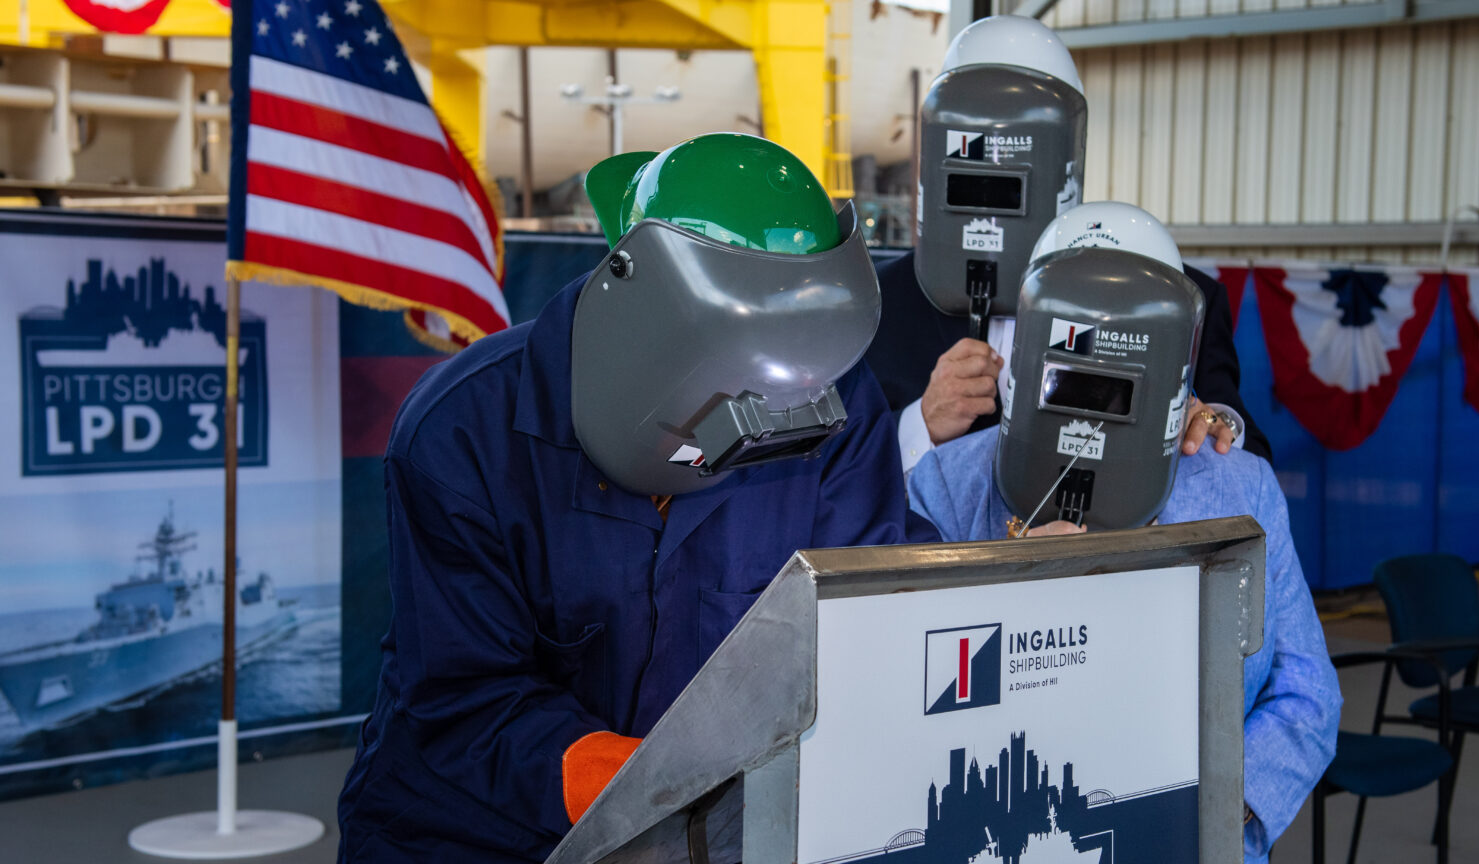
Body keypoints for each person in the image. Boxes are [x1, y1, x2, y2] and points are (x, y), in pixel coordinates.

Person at [336, 133, 935, 863]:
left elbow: (859, 603)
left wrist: (1001, 585)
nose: (782, 400)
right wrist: (653, 787)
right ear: (648, 315)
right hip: (472, 831)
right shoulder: (463, 433)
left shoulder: (829, 396)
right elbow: (467, 698)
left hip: (704, 828)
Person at [906, 202, 1339, 863]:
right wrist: (1004, 590)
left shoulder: (1240, 490)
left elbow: (1307, 692)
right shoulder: (949, 485)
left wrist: (1209, 813)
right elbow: (904, 697)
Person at [860, 15, 1269, 471]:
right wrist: (920, 426)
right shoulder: (878, 305)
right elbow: (832, 476)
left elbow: (1249, 464)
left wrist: (1213, 426)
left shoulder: (1170, 300)